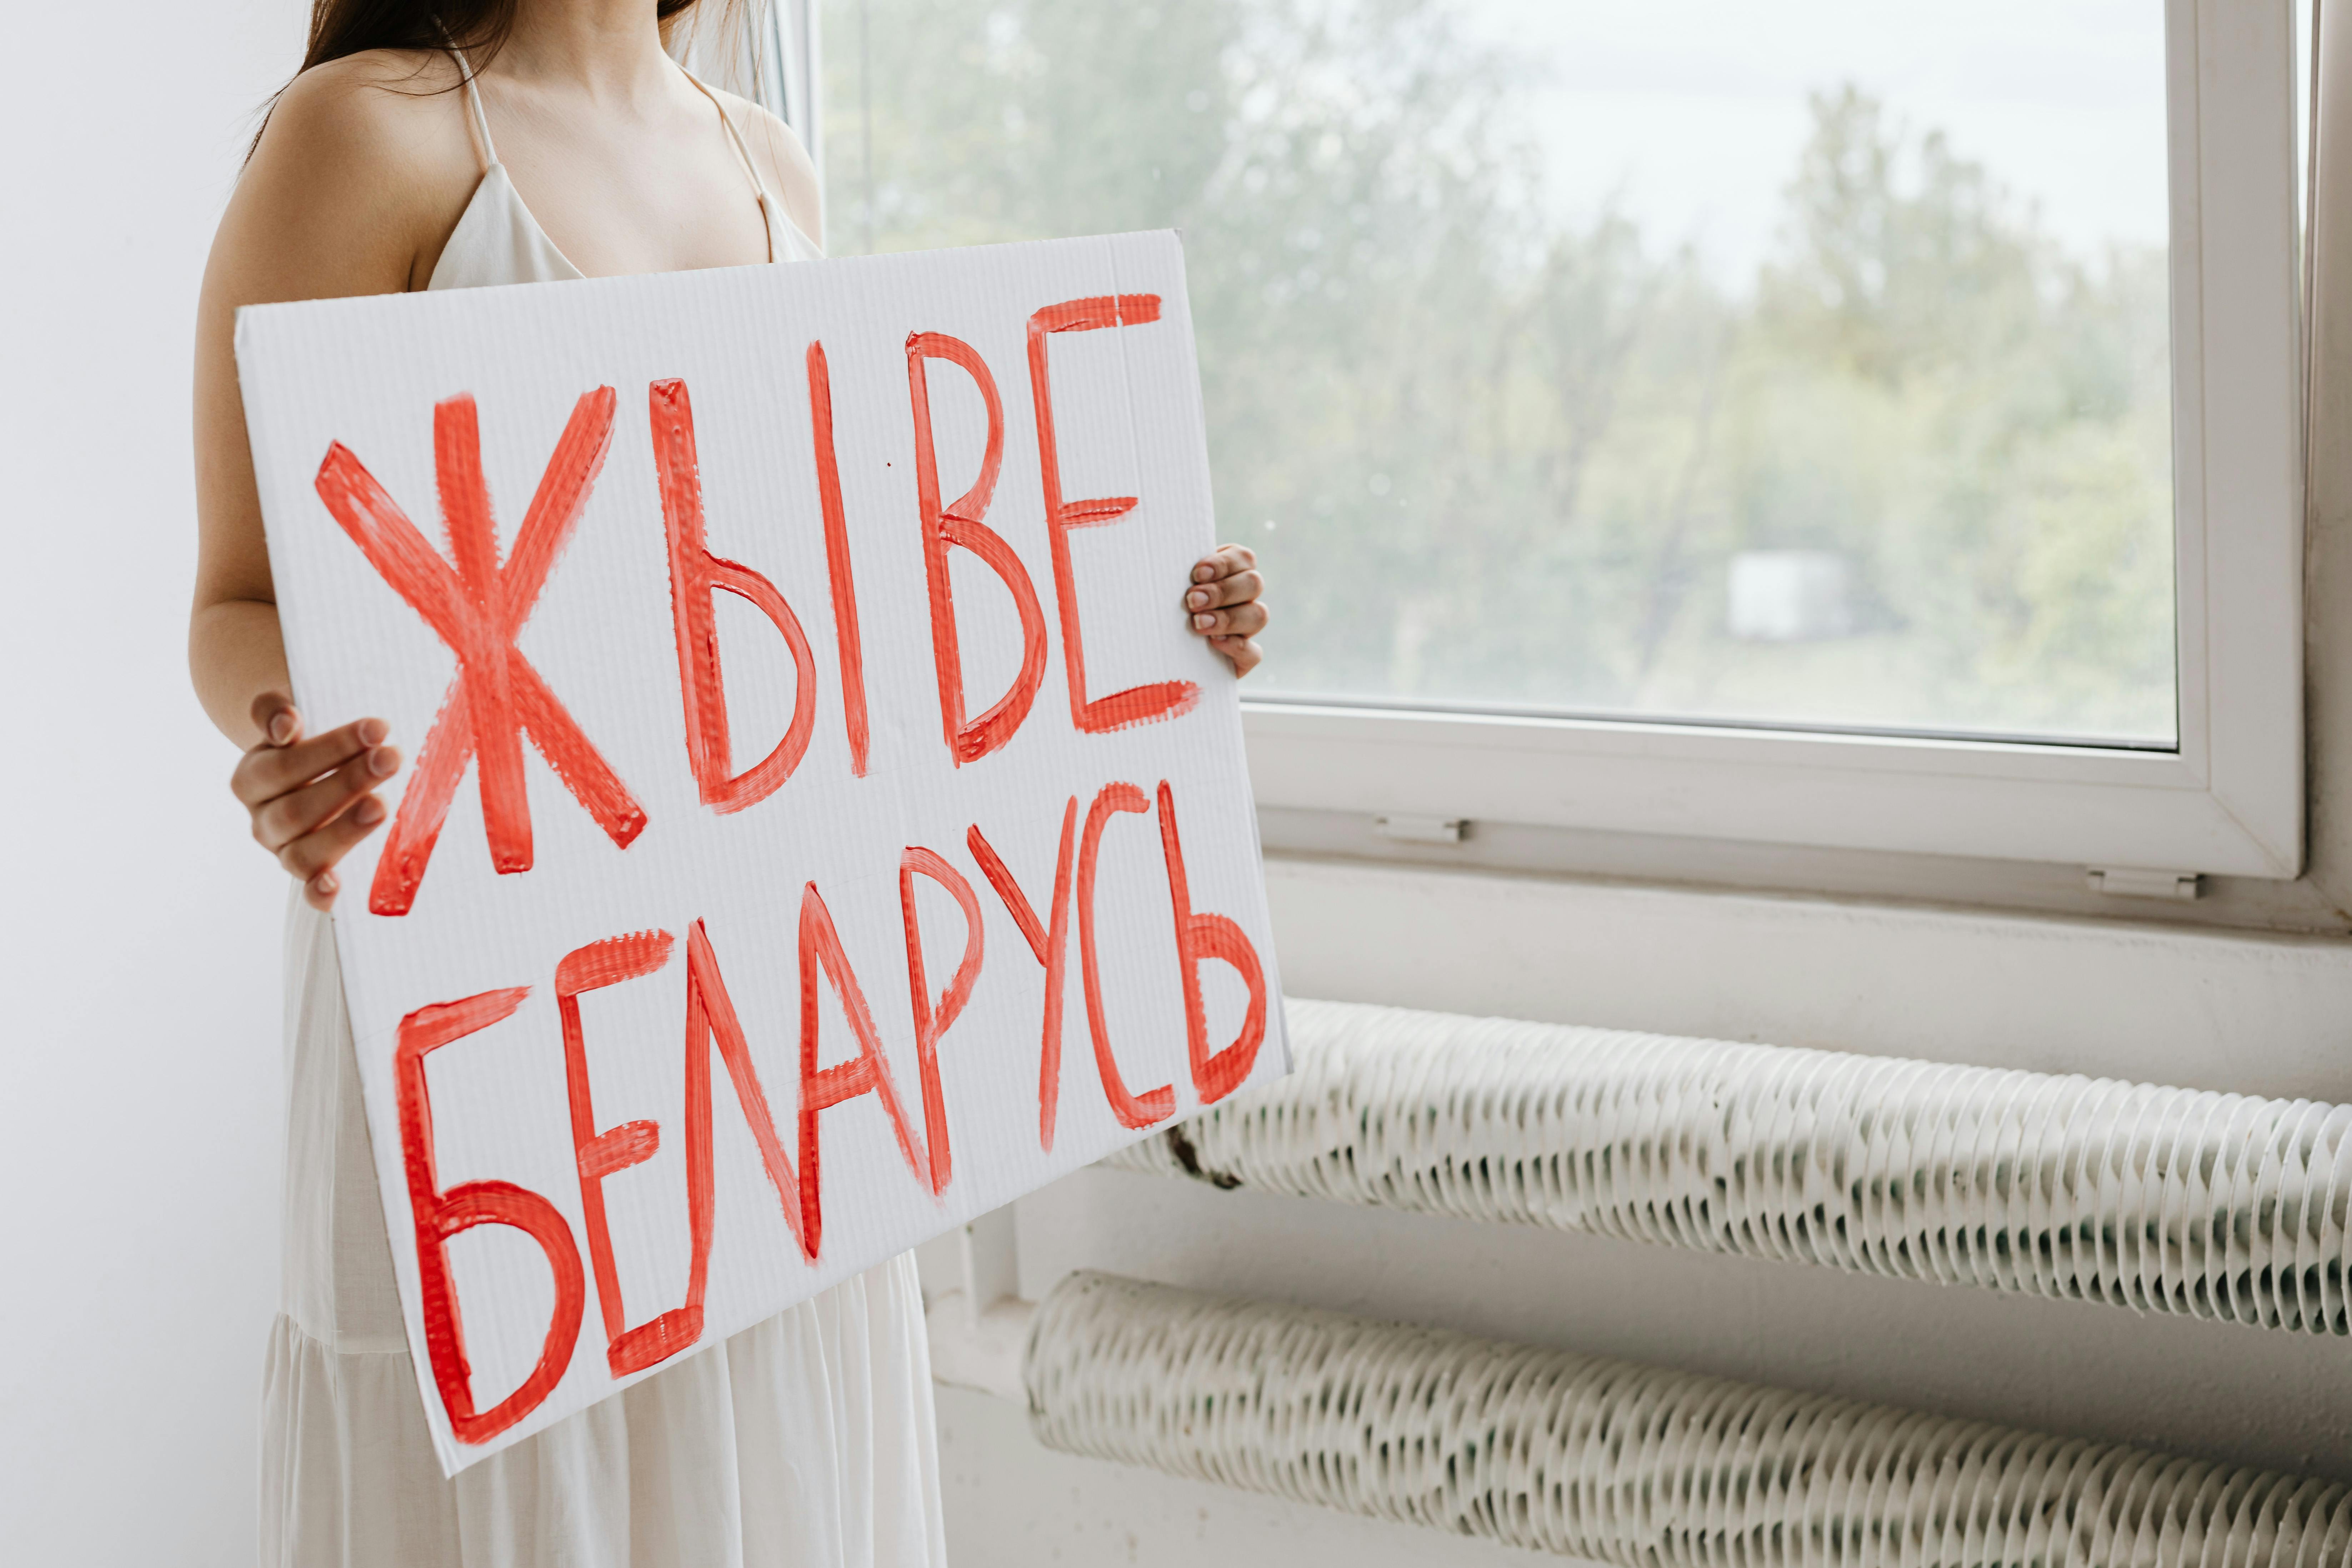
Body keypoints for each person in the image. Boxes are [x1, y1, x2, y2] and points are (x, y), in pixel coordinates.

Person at [188, 2, 1271, 1561]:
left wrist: (1142, 616)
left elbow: (858, 606)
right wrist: (290, 739)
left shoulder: (770, 162)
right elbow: (236, 601)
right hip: (488, 1033)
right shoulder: (365, 135)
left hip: (761, 1060)